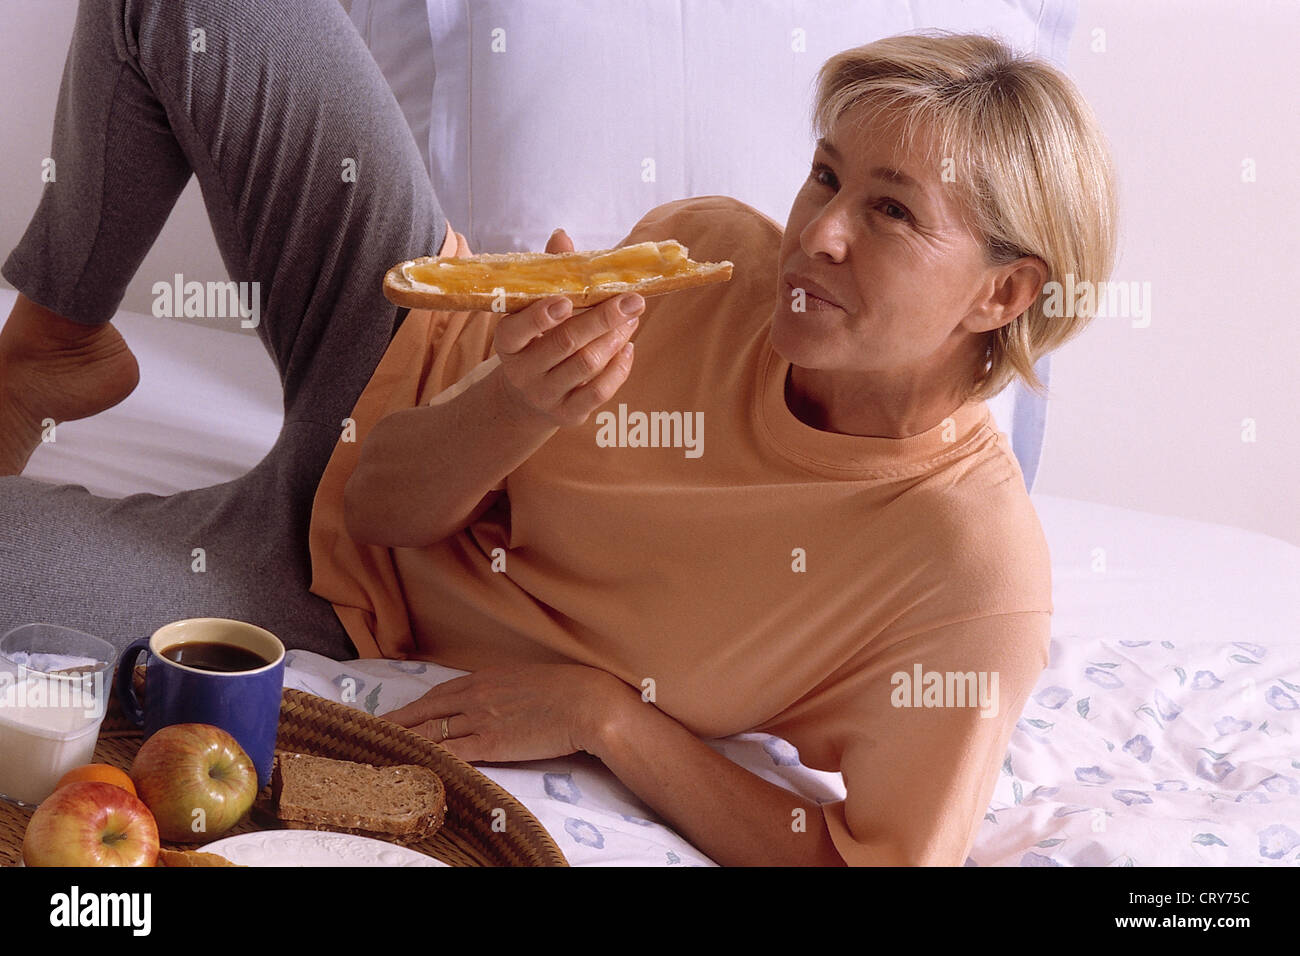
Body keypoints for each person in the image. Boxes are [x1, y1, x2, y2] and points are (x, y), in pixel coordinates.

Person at [0, 0, 1117, 866]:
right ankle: (52, 350)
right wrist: (515, 402)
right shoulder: (705, 254)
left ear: (1003, 295)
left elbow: (851, 854)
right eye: (824, 173)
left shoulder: (968, 581)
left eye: (889, 210)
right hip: (404, 335)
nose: (815, 233)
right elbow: (387, 485)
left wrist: (606, 717)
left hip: (327, 580)